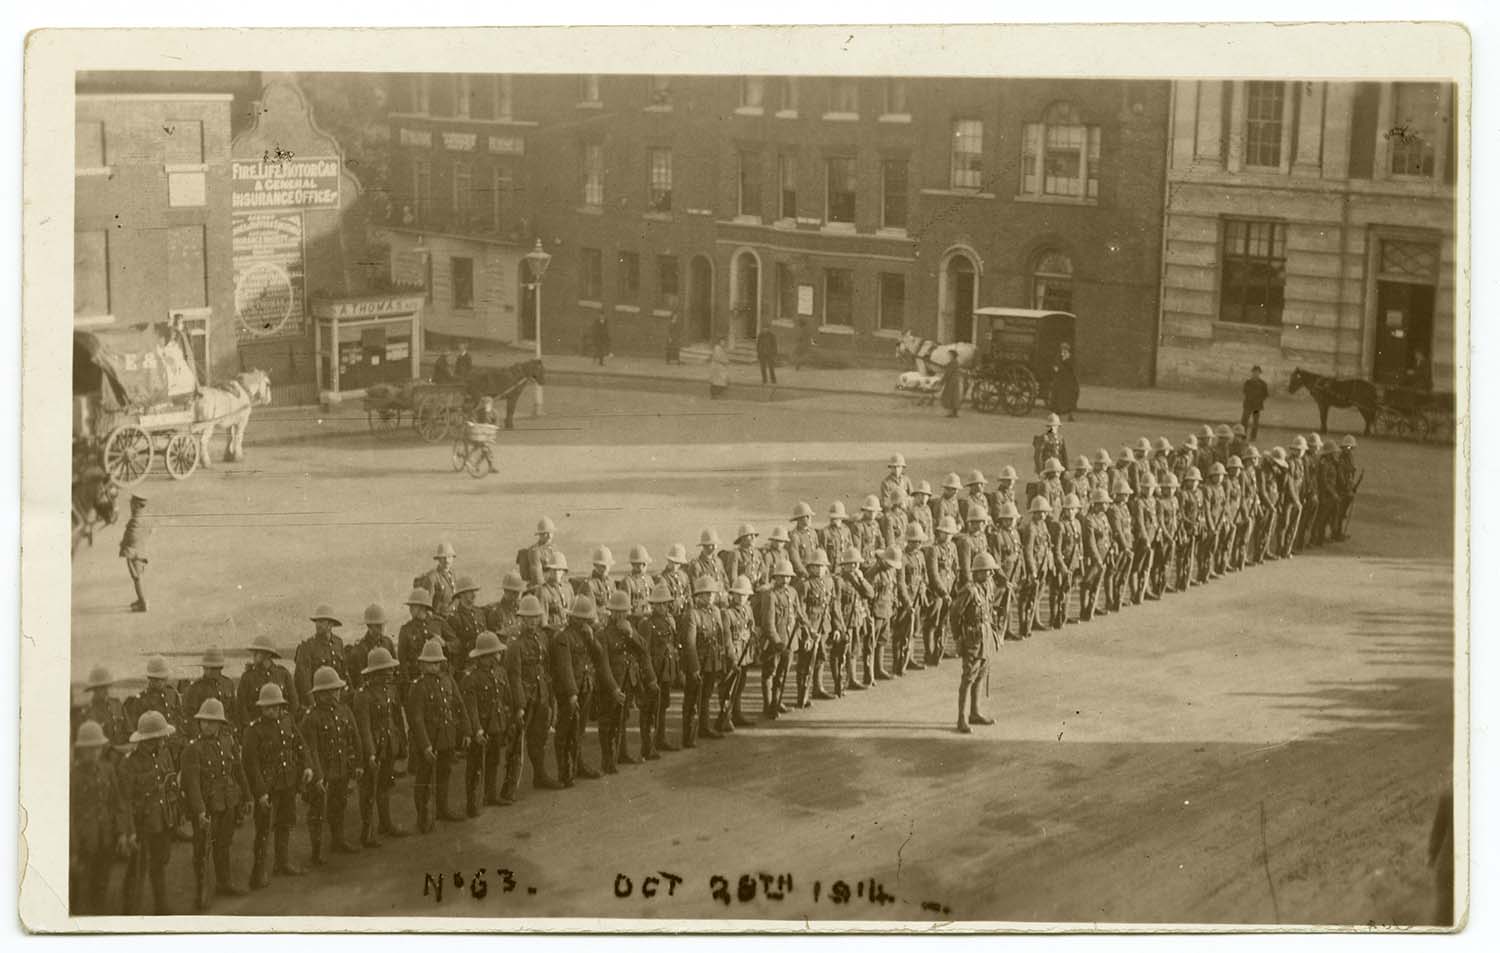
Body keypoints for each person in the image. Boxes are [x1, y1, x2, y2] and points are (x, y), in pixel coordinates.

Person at [179, 698, 250, 909]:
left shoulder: (228, 742)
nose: (206, 725)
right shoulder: (193, 750)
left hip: (227, 802)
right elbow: (191, 784)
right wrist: (200, 811)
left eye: (211, 721)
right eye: (203, 721)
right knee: (202, 850)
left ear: (220, 723)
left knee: (224, 845)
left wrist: (246, 797)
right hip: (207, 807)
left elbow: (238, 770)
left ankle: (224, 883)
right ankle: (201, 891)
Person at [240, 683, 312, 889]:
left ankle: (283, 862)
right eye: (268, 707)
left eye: (276, 706)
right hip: (268, 788)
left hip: (288, 783)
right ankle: (258, 872)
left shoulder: (287, 721)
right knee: (264, 829)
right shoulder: (253, 731)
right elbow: (251, 765)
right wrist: (260, 793)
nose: (272, 710)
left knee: (286, 823)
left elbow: (300, 744)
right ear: (261, 708)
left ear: (281, 706)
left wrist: (307, 766)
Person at [119, 711, 181, 914]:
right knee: (136, 870)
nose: (164, 740)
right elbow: (125, 801)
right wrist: (129, 832)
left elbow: (170, 785)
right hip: (141, 825)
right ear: (149, 740)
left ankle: (161, 908)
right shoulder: (130, 763)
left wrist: (174, 817)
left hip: (161, 821)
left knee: (159, 866)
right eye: (160, 737)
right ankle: (129, 912)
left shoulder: (164, 755)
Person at [406, 639, 471, 830]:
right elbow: (416, 719)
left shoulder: (448, 680)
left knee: (445, 773)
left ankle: (443, 809)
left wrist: (466, 731)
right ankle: (423, 817)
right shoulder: (418, 686)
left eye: (437, 662)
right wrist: (425, 745)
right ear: (422, 664)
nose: (434, 666)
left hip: (446, 737)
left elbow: (459, 705)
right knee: (424, 779)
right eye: (430, 663)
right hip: (429, 740)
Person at [300, 666, 362, 864]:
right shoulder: (311, 718)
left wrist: (357, 764)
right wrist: (318, 777)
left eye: (337, 690)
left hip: (341, 768)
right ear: (320, 694)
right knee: (317, 812)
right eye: (332, 690)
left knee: (339, 804)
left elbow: (355, 737)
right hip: (323, 773)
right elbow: (312, 750)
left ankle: (338, 840)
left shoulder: (344, 711)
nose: (336, 693)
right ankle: (316, 852)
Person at [502, 596, 562, 796]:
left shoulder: (543, 638)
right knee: (516, 742)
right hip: (525, 697)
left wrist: (550, 696)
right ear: (521, 618)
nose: (531, 621)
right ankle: (509, 786)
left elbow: (546, 669)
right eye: (527, 618)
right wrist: (519, 705)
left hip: (541, 694)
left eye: (534, 617)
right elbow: (514, 676)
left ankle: (540, 775)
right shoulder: (515, 644)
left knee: (539, 737)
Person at [71, 720, 130, 915]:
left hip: (106, 837)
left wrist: (121, 833)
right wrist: (73, 849)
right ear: (81, 750)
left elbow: (117, 803)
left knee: (102, 881)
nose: (94, 753)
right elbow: (70, 816)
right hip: (83, 841)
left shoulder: (107, 770)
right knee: (78, 888)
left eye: (97, 748)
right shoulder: (74, 777)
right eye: (89, 749)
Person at [350, 647, 408, 844]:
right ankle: (367, 832)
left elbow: (397, 718)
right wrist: (371, 754)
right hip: (373, 748)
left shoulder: (391, 689)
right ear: (375, 672)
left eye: (391, 669)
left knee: (384, 785)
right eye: (386, 670)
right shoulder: (362, 695)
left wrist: (402, 743)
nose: (390, 673)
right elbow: (364, 728)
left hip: (389, 745)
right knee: (367, 790)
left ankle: (385, 824)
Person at [594, 592, 656, 770]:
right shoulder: (603, 634)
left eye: (624, 612)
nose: (620, 615)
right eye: (617, 612)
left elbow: (644, 649)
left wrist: (631, 634)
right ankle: (608, 760)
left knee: (622, 718)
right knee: (608, 721)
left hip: (629, 680)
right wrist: (613, 688)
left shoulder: (629, 629)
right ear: (611, 613)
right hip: (612, 683)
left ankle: (622, 753)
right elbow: (603, 665)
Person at [550, 596, 603, 785]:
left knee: (579, 730)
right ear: (572, 618)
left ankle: (577, 764)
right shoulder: (563, 637)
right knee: (565, 731)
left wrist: (591, 638)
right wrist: (572, 693)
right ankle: (564, 772)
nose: (583, 622)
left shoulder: (586, 635)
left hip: (585, 687)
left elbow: (599, 656)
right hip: (570, 692)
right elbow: (565, 668)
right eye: (580, 619)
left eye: (586, 619)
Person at [460, 631, 514, 811]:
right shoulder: (471, 678)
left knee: (493, 761)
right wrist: (477, 730)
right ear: (482, 657)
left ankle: (491, 795)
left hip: (496, 725)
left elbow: (506, 699)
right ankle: (472, 802)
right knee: (475, 765)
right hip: (482, 728)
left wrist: (508, 720)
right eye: (493, 654)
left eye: (496, 654)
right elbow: (471, 708)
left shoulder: (500, 672)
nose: (497, 657)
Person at [952, 553, 1001, 733]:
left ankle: (975, 712)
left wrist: (995, 634)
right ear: (977, 572)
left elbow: (990, 611)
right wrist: (958, 638)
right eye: (986, 571)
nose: (990, 574)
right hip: (972, 638)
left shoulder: (987, 587)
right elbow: (955, 614)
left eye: (991, 571)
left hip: (985, 636)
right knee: (968, 678)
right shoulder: (969, 590)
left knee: (981, 674)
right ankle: (961, 718)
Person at [639, 584, 685, 752]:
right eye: (659, 604)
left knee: (663, 704)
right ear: (653, 605)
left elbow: (673, 645)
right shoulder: (647, 624)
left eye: (665, 603)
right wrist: (650, 676)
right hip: (654, 670)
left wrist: (677, 669)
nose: (663, 607)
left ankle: (660, 738)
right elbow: (644, 652)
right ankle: (647, 745)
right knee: (648, 708)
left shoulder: (670, 620)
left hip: (666, 670)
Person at [682, 579, 729, 736]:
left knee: (707, 695)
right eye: (706, 594)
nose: (709, 597)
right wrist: (694, 667)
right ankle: (688, 732)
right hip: (699, 662)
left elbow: (720, 637)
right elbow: (689, 644)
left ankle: (704, 727)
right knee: (692, 697)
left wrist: (721, 661)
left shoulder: (715, 612)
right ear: (698, 596)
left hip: (712, 661)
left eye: (712, 594)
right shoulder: (692, 615)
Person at [721, 575, 761, 727]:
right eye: (738, 594)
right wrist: (732, 658)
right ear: (732, 595)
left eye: (744, 595)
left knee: (740, 685)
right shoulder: (727, 613)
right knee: (729, 687)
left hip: (745, 653)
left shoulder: (748, 609)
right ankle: (725, 716)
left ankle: (737, 713)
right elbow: (727, 639)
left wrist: (753, 637)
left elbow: (751, 627)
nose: (741, 598)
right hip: (735, 654)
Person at [294, 605, 349, 708]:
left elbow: (344, 672)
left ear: (331, 624)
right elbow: (304, 680)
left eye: (322, 622)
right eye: (317, 622)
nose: (318, 625)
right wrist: (312, 704)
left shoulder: (338, 643)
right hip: (319, 700)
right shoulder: (308, 646)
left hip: (337, 699)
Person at [924, 516, 961, 663]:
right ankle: (929, 653)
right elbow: (933, 574)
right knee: (932, 622)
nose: (947, 536)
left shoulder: (952, 547)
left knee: (944, 622)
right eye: (944, 533)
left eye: (949, 533)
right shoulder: (934, 550)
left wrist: (954, 588)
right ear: (938, 533)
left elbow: (955, 567)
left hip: (949, 589)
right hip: (936, 592)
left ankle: (940, 649)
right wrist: (943, 592)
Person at [345, 605, 397, 693]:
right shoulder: (360, 649)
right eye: (377, 626)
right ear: (369, 626)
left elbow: (394, 670)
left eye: (382, 625)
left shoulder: (387, 643)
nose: (381, 628)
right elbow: (359, 678)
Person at [1051, 494, 1084, 627]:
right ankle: (1055, 618)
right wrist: (1062, 567)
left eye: (1073, 509)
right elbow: (1057, 550)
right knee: (1058, 591)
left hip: (1073, 561)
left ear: (1077, 510)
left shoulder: (1077, 523)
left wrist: (1081, 560)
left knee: (1068, 589)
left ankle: (1064, 616)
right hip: (1063, 563)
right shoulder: (1061, 526)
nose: (1070, 512)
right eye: (1068, 509)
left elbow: (1080, 544)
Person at [119, 493, 151, 612]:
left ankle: (142, 603)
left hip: (134, 555)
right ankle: (141, 599)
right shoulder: (144, 519)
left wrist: (124, 546)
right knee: (139, 577)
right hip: (141, 552)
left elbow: (131, 538)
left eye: (132, 505)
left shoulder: (135, 521)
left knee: (137, 579)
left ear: (137, 506)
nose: (130, 507)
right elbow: (150, 531)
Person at [414, 542, 459, 619]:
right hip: (439, 619)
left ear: (453, 558)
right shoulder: (432, 577)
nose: (447, 560)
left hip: (453, 618)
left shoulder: (452, 575)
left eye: (449, 557)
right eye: (443, 557)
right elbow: (427, 605)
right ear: (438, 559)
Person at [518, 517, 559, 592]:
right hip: (539, 589)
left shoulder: (553, 548)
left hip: (552, 585)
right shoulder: (535, 551)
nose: (550, 536)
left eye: (551, 533)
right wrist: (550, 591)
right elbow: (537, 578)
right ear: (540, 535)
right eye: (546, 533)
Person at [1050, 342, 1080, 421]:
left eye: (1065, 349)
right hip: (1060, 379)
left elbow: (1072, 367)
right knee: (1058, 395)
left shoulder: (1070, 357)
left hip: (1068, 380)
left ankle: (1070, 415)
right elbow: (1055, 366)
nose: (1064, 351)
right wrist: (1056, 368)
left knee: (1070, 395)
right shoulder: (1058, 357)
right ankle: (1057, 414)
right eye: (1063, 349)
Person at [1241, 365, 1269, 440]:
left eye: (1257, 372)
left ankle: (1253, 437)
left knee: (1255, 422)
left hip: (1257, 406)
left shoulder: (1263, 384)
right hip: (1248, 404)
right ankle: (1243, 435)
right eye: (1254, 372)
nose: (1255, 374)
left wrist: (1260, 400)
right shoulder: (1248, 382)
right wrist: (1250, 398)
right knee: (1244, 421)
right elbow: (1245, 391)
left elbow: (1266, 394)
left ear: (1259, 373)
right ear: (1252, 373)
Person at [939, 353, 963, 418]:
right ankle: (955, 413)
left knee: (949, 396)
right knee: (955, 397)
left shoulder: (952, 363)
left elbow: (948, 373)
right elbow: (948, 368)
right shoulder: (955, 362)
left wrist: (941, 382)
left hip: (951, 382)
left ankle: (950, 413)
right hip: (955, 381)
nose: (949, 356)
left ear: (952, 356)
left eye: (950, 355)